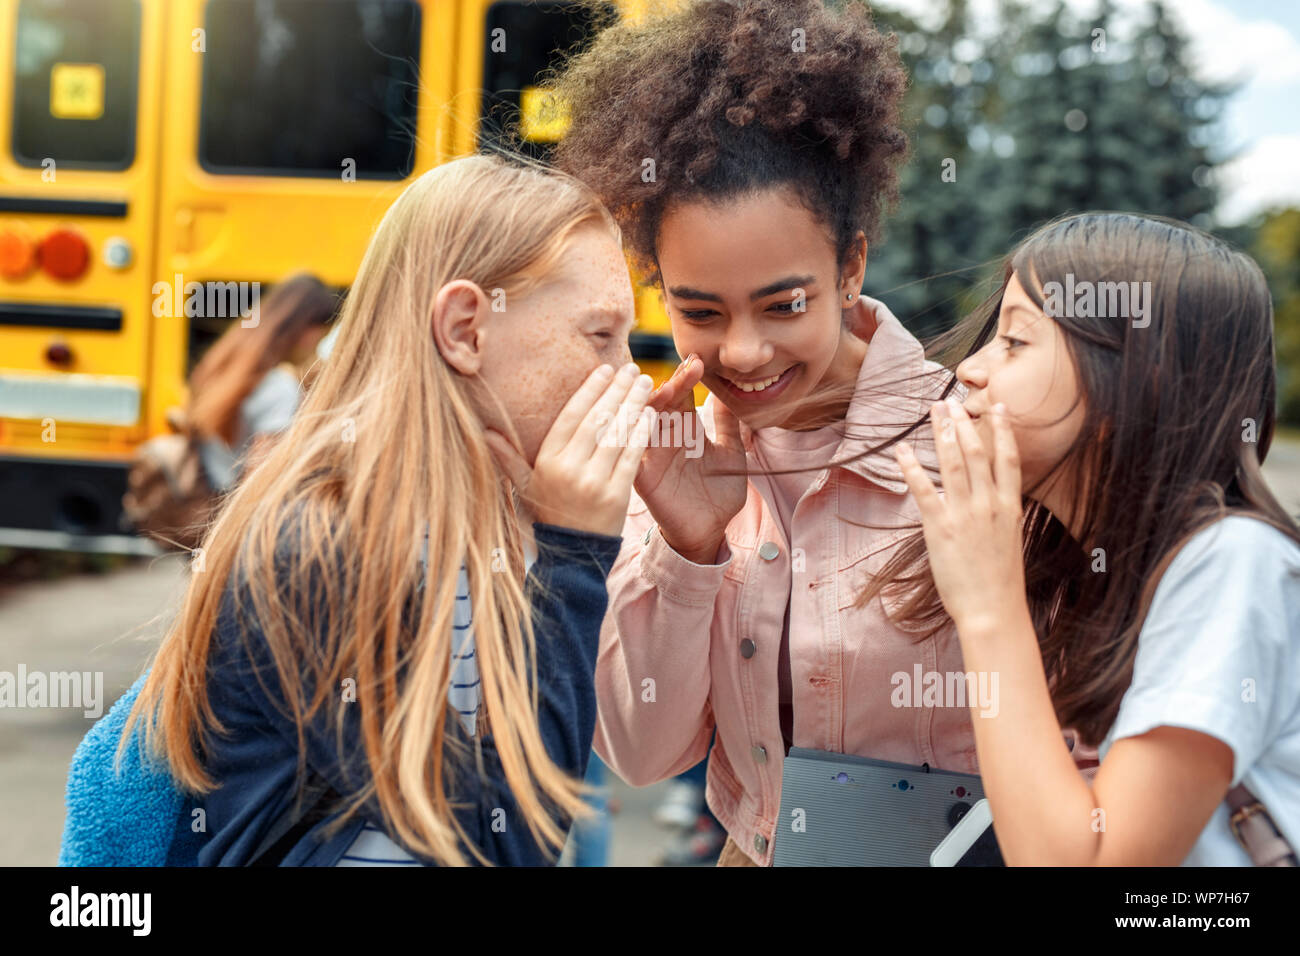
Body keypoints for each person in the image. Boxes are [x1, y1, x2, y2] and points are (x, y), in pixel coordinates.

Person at [547, 0, 1099, 866]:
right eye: (699, 310)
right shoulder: (674, 466)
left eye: (784, 304)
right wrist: (689, 552)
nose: (743, 350)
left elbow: (1091, 744)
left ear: (851, 265)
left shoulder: (982, 445)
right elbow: (644, 758)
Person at [121, 153, 656, 866]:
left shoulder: (485, 526)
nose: (629, 377)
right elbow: (507, 839)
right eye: (600, 335)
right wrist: (575, 554)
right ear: (466, 329)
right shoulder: (322, 540)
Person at [888, 212, 1300, 865]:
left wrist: (989, 609)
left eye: (1016, 342)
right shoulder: (1101, 568)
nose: (970, 368)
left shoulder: (1233, 563)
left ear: (1138, 380)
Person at [187, 273, 337, 492]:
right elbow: (261, 481)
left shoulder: (232, 365)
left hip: (206, 494)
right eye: (322, 335)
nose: (317, 349)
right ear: (306, 328)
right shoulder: (281, 388)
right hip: (230, 508)